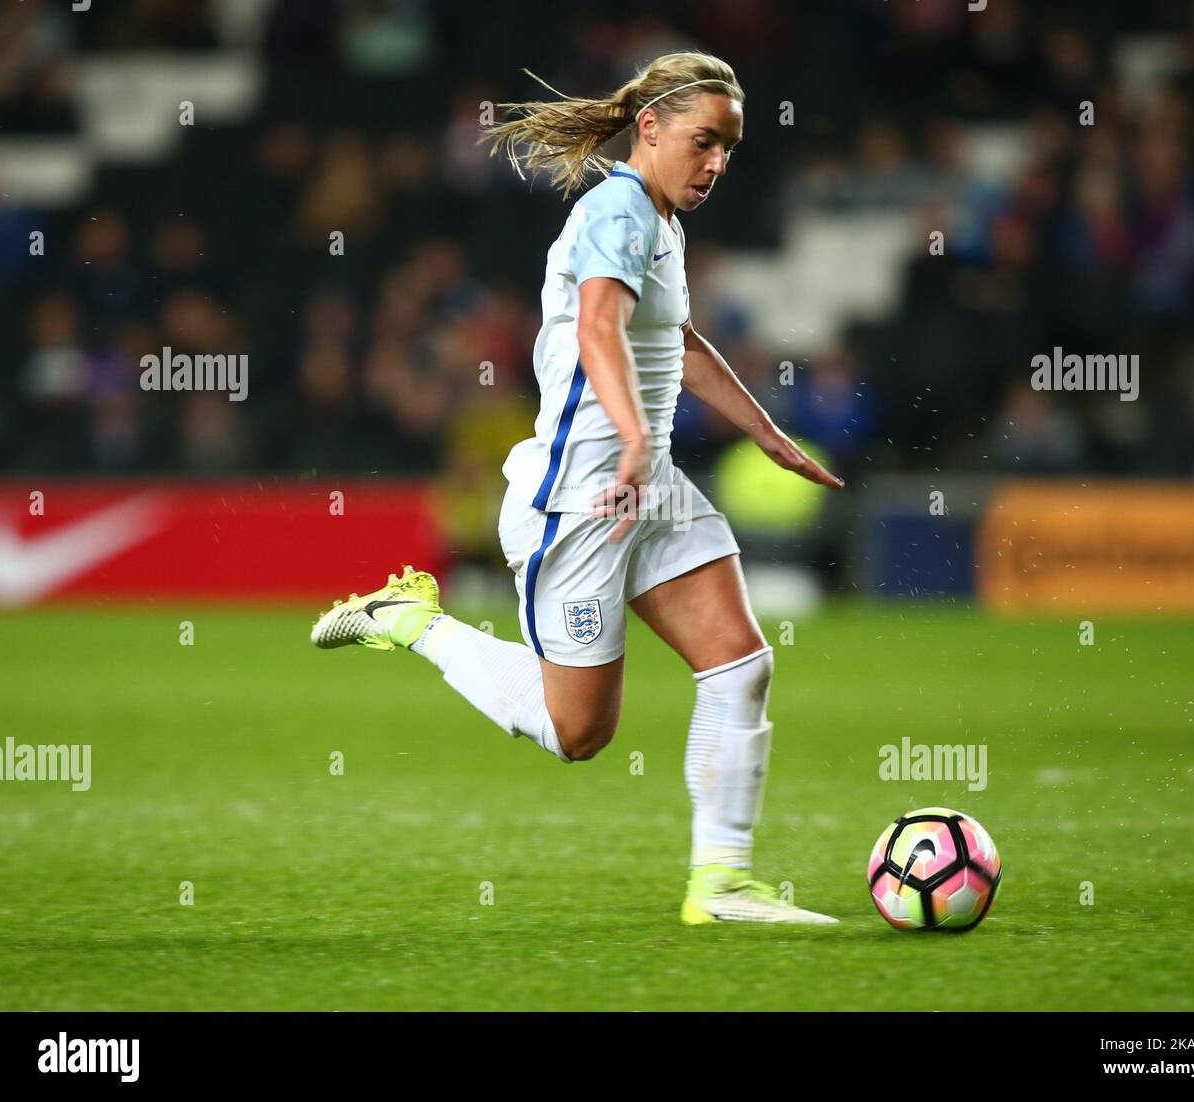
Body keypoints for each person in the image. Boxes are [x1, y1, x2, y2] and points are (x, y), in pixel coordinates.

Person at [311, 50, 845, 924]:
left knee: (741, 664)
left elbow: (683, 346)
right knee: (579, 734)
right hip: (582, 500)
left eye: (730, 149)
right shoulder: (615, 208)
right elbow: (598, 324)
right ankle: (413, 623)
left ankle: (721, 884)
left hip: (649, 487)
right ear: (652, 128)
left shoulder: (661, 222)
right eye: (704, 142)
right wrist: (634, 437)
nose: (716, 163)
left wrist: (767, 433)